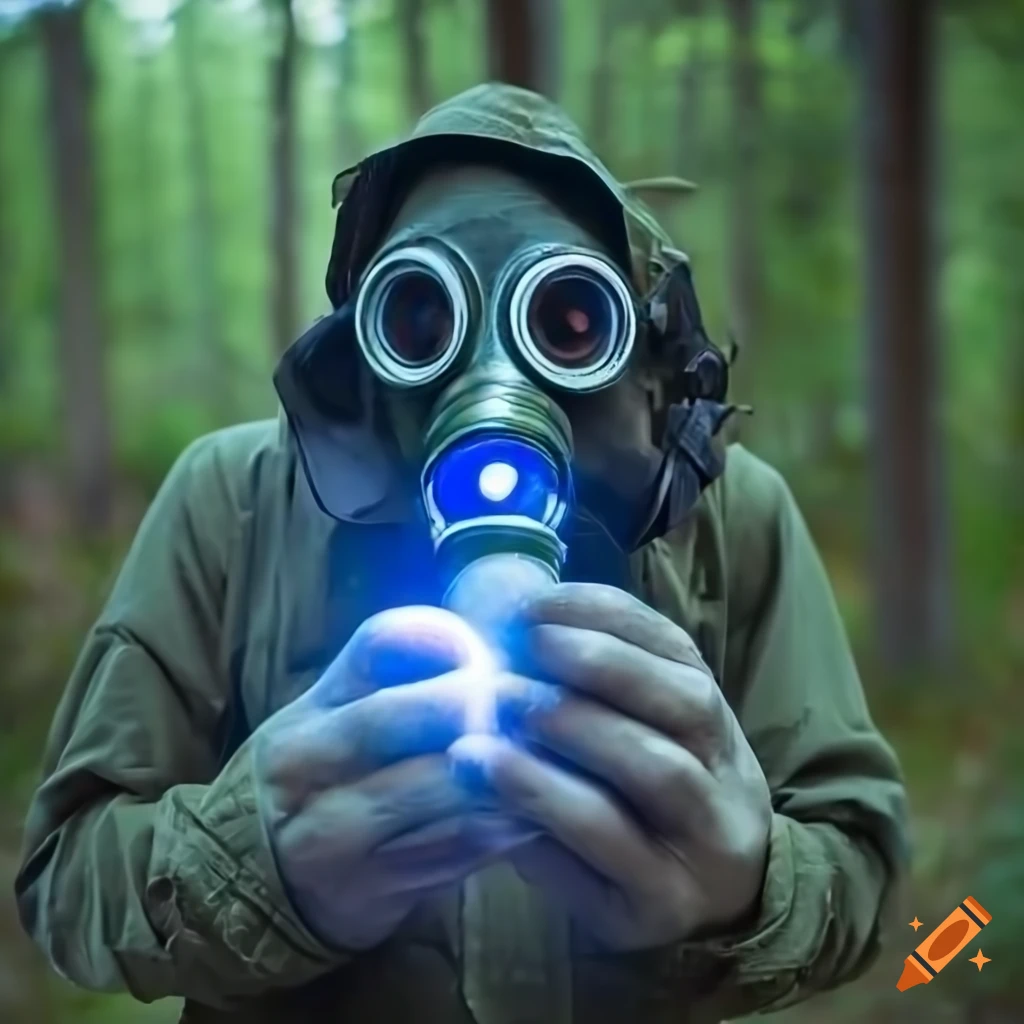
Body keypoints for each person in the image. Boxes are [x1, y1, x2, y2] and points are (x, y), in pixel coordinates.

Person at [14, 84, 908, 1024]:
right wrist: (254, 868)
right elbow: (67, 874)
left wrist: (749, 887)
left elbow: (864, 858)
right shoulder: (236, 499)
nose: (491, 378)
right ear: (362, 342)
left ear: (633, 341)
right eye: (421, 320)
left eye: (566, 320)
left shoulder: (730, 514)